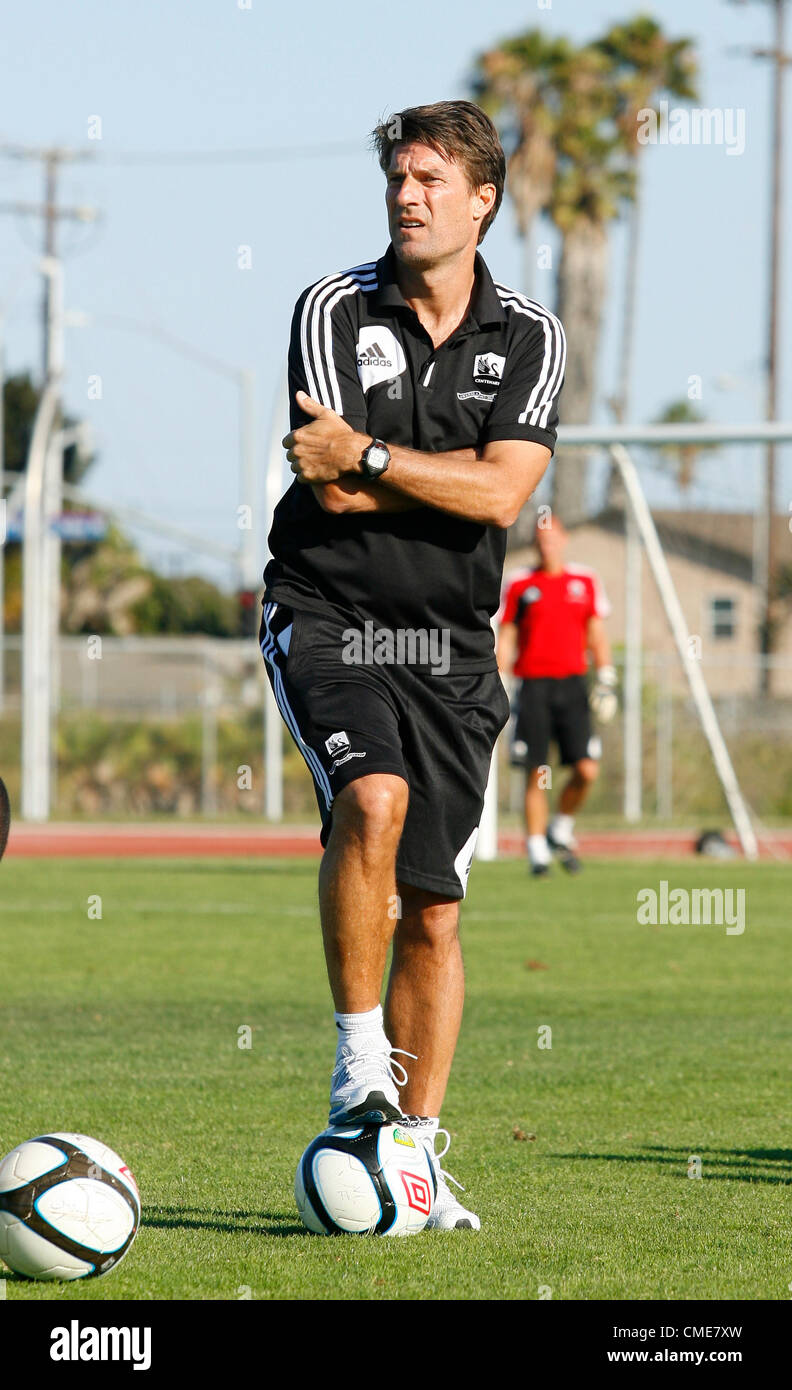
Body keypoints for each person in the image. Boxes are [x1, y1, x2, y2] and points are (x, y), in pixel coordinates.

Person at [260, 100, 565, 1229]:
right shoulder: (333, 307)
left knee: (433, 914)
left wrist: (376, 452)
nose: (408, 194)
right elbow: (327, 487)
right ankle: (357, 1070)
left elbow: (501, 494)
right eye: (399, 176)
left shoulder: (529, 334)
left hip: (451, 650)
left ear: (483, 199)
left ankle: (418, 1157)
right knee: (371, 797)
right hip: (329, 608)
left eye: (432, 179)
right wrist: (409, 470)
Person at [497, 515, 617, 876]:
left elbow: (596, 633)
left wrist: (607, 677)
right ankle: (536, 851)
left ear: (564, 539)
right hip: (533, 686)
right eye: (539, 539)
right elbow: (507, 636)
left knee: (586, 768)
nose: (545, 545)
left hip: (573, 685)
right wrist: (500, 680)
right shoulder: (520, 583)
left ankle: (560, 827)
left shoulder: (584, 580)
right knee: (538, 769)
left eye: (551, 538)